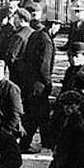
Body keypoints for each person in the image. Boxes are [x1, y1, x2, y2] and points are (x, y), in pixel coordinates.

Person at [15, 13, 55, 151]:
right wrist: (48, 83)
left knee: (41, 115)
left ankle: (47, 142)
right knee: (35, 115)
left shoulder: (35, 35)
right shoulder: (46, 41)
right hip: (39, 84)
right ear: (54, 26)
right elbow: (44, 65)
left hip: (29, 81)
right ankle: (25, 144)